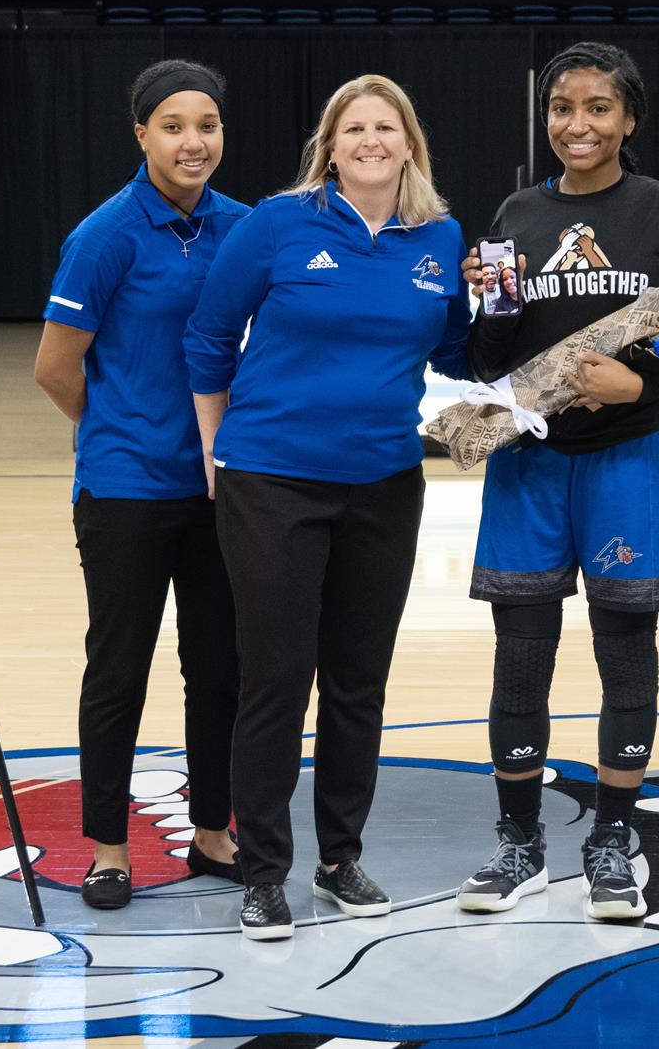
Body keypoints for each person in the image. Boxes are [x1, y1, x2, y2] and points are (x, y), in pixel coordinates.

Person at [183, 74, 472, 941]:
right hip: (270, 479)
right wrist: (213, 450)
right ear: (331, 144)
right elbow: (206, 336)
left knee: (359, 683)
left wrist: (502, 300)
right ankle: (261, 872)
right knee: (276, 679)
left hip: (384, 483)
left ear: (409, 143)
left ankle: (339, 858)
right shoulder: (277, 223)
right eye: (355, 129)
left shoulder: (441, 236)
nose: (371, 141)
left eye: (387, 127)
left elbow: (458, 345)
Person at [451, 41, 659, 922]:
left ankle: (612, 836)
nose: (579, 124)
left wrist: (643, 384)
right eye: (563, 107)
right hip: (528, 462)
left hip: (627, 456)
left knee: (622, 649)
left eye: (599, 107)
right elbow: (490, 357)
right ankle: (519, 841)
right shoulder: (517, 211)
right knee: (521, 653)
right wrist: (483, 303)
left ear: (629, 119)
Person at [34, 59, 247, 910]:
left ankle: (213, 831)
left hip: (221, 491)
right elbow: (55, 368)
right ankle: (110, 848)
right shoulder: (106, 234)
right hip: (126, 489)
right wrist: (122, 425)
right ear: (141, 134)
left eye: (207, 125)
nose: (192, 142)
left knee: (219, 668)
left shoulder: (244, 227)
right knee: (118, 668)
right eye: (173, 125)